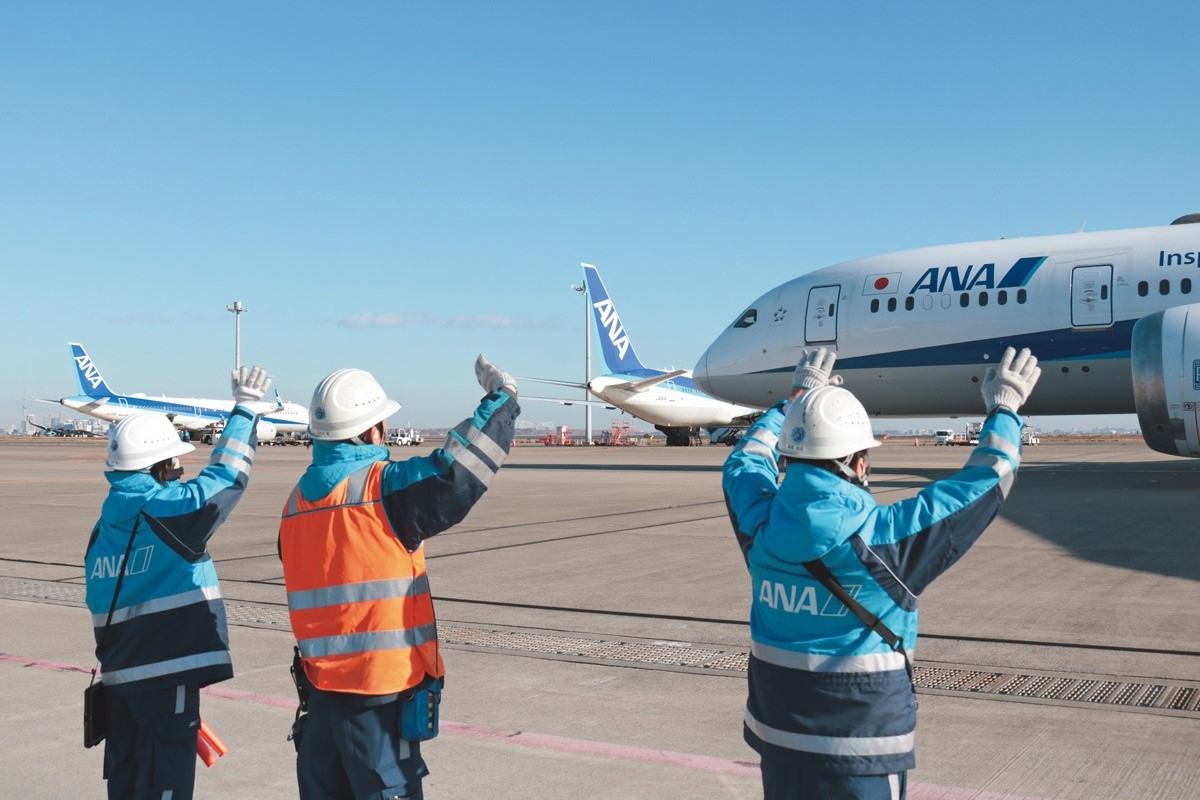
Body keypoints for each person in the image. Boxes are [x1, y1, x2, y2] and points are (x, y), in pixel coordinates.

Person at [722, 346, 1041, 799]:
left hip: (779, 739)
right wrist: (1005, 408)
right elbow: (988, 478)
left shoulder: (761, 527)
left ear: (789, 458)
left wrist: (793, 402)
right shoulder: (887, 541)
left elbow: (744, 464)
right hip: (861, 751)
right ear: (859, 464)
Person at [279, 354, 520, 800]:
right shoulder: (382, 490)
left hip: (321, 701)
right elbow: (458, 469)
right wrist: (501, 399)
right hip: (379, 698)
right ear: (372, 431)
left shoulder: (295, 506)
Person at [85, 365, 273, 800]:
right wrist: (245, 410)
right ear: (158, 467)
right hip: (162, 679)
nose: (177, 474)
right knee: (166, 783)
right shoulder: (164, 512)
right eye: (172, 467)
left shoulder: (104, 526)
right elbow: (225, 479)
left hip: (120, 682)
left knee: (128, 783)